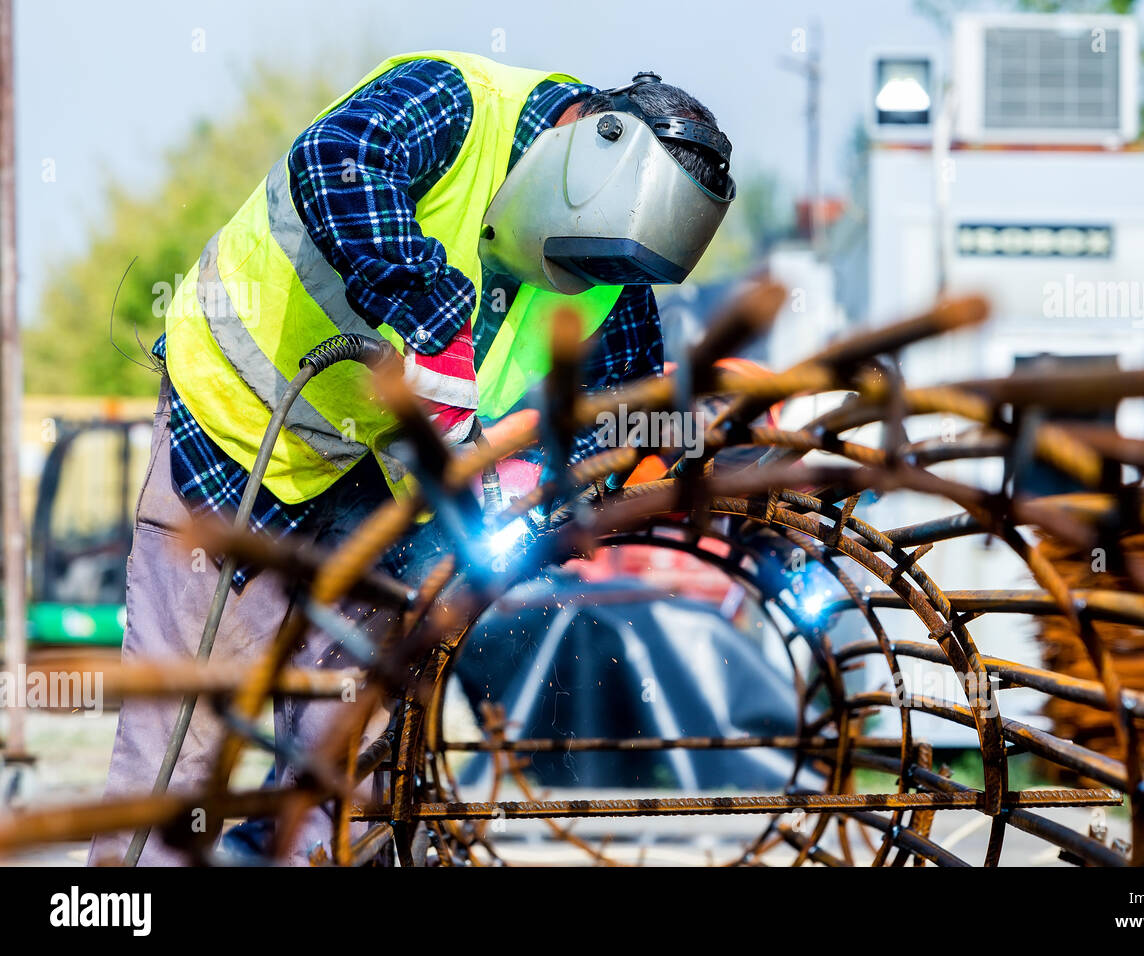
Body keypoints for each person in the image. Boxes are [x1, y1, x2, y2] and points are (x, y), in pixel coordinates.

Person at [89, 49, 734, 866]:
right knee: (178, 749)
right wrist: (434, 317)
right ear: (587, 145)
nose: (587, 284)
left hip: (385, 495)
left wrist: (558, 470)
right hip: (237, 439)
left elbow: (623, 404)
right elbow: (337, 162)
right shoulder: (456, 102)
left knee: (350, 773)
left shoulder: (614, 260)